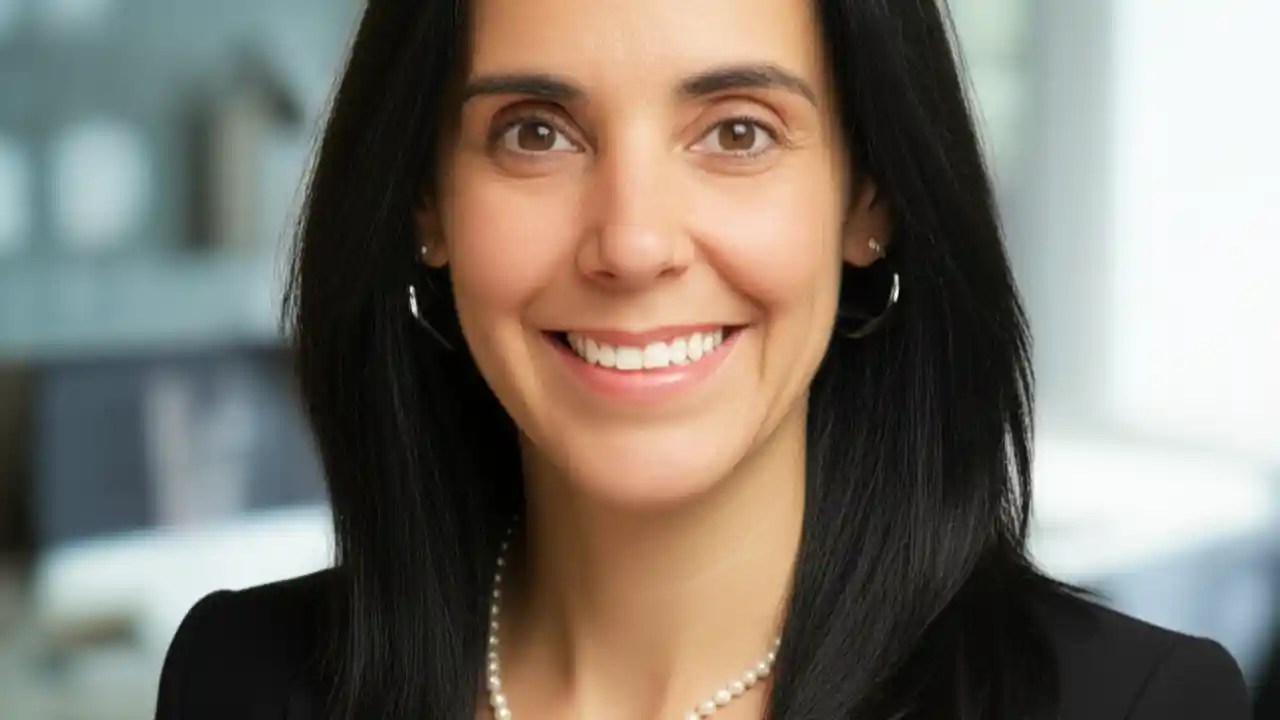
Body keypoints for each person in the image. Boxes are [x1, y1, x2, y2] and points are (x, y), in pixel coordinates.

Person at [154, 0, 1254, 718]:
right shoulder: (242, 680)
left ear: (867, 200)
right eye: (536, 131)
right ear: (425, 206)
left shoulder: (1129, 706)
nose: (632, 243)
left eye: (737, 132)